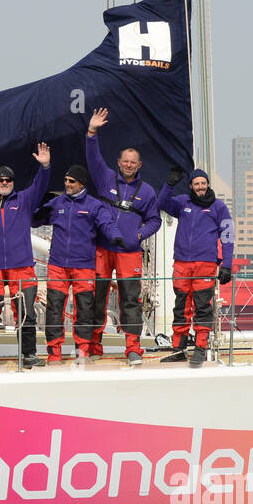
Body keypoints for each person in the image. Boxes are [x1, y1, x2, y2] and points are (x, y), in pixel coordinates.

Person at [85, 107, 161, 365]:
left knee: (131, 300)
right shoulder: (105, 177)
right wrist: (92, 132)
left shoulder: (148, 192)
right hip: (103, 249)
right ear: (118, 162)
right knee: (96, 297)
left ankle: (132, 347)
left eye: (133, 162)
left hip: (129, 252)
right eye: (124, 161)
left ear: (139, 165)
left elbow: (155, 220)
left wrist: (138, 235)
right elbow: (93, 158)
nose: (128, 165)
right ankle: (93, 345)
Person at [39, 165, 128, 362]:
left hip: (84, 265)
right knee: (54, 308)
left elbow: (106, 223)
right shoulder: (57, 203)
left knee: (85, 309)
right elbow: (37, 218)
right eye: (66, 180)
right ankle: (54, 353)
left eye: (71, 181)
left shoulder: (94, 205)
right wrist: (33, 212)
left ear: (81, 183)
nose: (67, 184)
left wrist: (116, 236)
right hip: (58, 264)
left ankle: (83, 352)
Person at [0, 143, 50, 366]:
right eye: (1, 180)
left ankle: (29, 355)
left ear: (13, 183)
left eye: (8, 180)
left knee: (27, 313)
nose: (4, 183)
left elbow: (40, 186)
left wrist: (45, 166)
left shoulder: (24, 200)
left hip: (21, 265)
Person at [158, 167, 234, 367]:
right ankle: (179, 349)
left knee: (202, 308)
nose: (200, 187)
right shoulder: (183, 203)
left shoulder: (219, 207)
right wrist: (169, 185)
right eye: (196, 183)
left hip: (205, 266)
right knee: (181, 308)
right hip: (182, 264)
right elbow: (162, 203)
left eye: (203, 183)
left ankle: (200, 348)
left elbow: (227, 237)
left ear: (207, 184)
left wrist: (227, 264)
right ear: (191, 186)